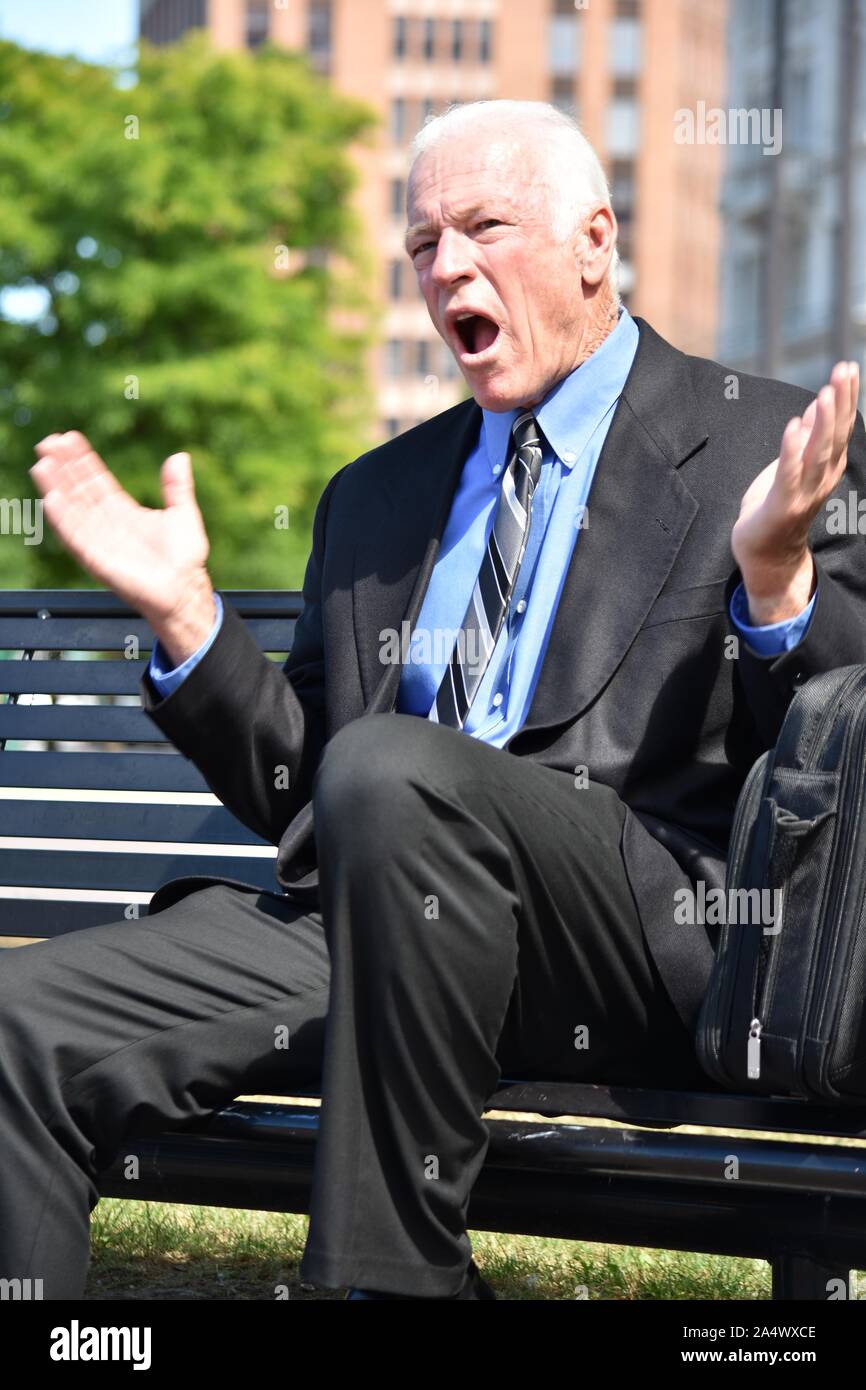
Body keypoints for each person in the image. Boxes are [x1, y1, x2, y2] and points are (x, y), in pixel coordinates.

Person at [6, 100, 866, 1301]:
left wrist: (772, 573)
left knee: (395, 768)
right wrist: (191, 622)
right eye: (420, 245)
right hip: (377, 916)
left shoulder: (764, 443)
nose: (444, 266)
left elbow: (832, 750)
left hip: (625, 937)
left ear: (592, 241)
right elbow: (304, 787)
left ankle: (386, 1285)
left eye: (482, 227)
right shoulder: (375, 496)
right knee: (17, 1018)